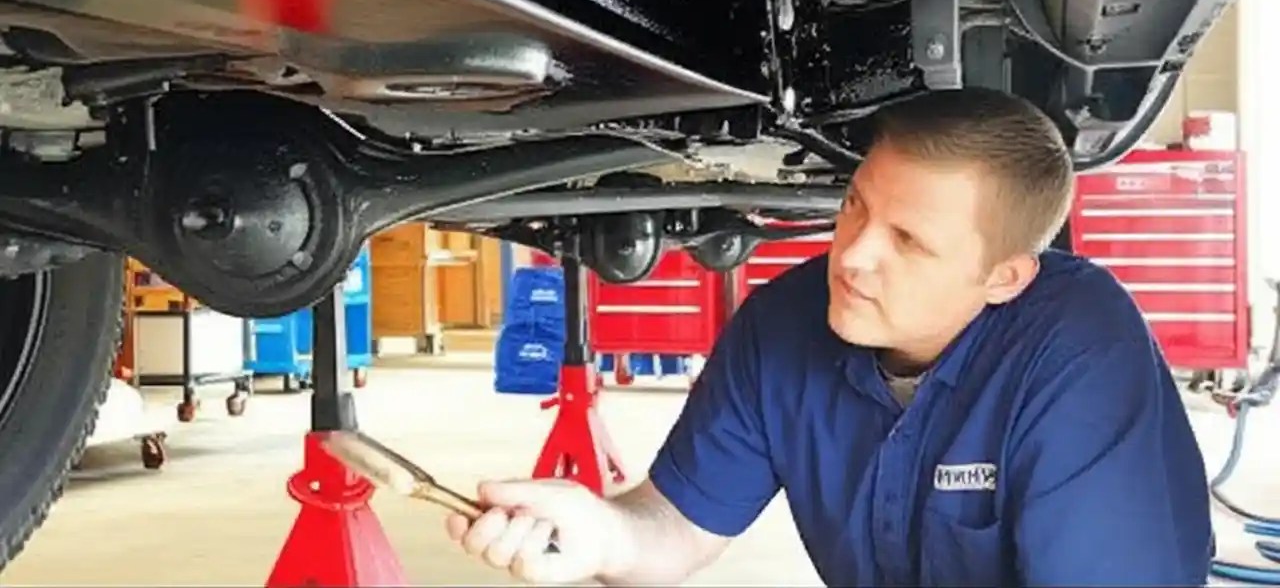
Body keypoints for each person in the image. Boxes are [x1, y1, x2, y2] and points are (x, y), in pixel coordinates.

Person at [445, 87, 1214, 586]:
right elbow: (678, 526)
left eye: (909, 241)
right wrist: (604, 533)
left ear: (1004, 278)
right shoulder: (785, 324)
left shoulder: (1079, 350)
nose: (852, 256)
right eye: (854, 207)